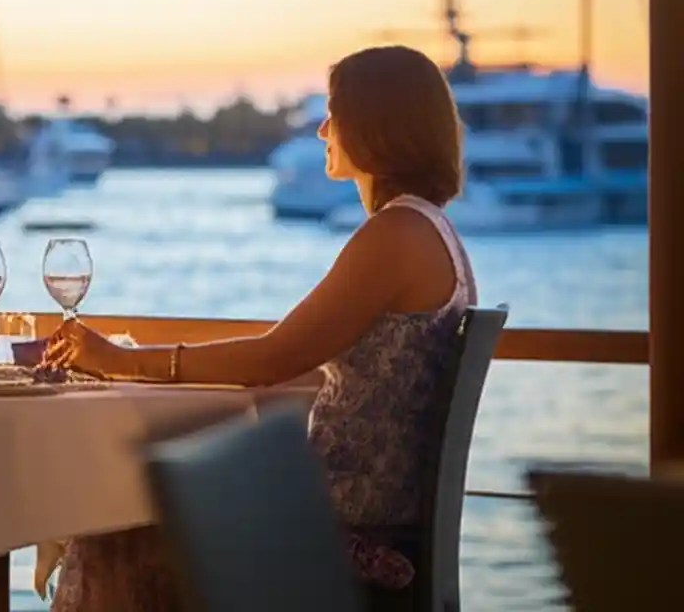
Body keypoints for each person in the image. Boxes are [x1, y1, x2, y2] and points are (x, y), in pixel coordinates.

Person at [44, 45, 478, 610]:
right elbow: (299, 353)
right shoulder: (428, 230)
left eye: (333, 114)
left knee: (115, 530)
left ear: (376, 127)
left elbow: (273, 359)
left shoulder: (396, 237)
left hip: (341, 542)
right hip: (357, 522)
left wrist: (122, 361)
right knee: (143, 504)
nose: (322, 130)